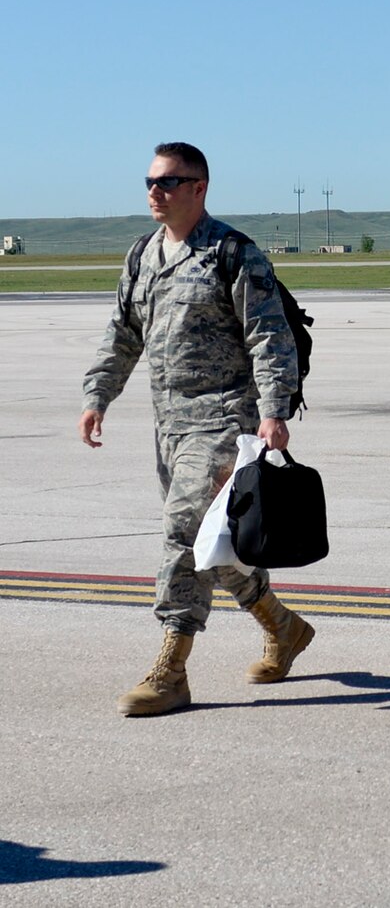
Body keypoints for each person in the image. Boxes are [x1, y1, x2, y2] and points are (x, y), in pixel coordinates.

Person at [79, 142, 311, 717]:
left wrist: (274, 410)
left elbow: (269, 336)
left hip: (225, 418)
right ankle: (282, 626)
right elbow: (123, 332)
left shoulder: (233, 253)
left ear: (199, 188)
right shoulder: (143, 254)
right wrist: (98, 395)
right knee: (213, 542)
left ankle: (172, 669)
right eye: (150, 182)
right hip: (169, 424)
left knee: (183, 531)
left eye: (168, 182)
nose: (155, 192)